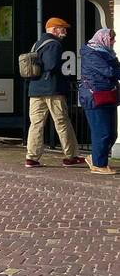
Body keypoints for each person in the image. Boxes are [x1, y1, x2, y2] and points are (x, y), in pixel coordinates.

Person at [25, 17, 85, 168]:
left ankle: (31, 157)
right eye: (62, 28)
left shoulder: (37, 44)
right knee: (62, 122)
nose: (64, 31)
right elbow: (51, 65)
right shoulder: (54, 44)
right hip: (52, 89)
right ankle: (71, 155)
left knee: (36, 124)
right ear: (53, 29)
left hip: (35, 89)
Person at [79, 27, 120, 176]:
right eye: (111, 39)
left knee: (112, 133)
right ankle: (99, 164)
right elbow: (108, 71)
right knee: (101, 132)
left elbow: (114, 69)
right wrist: (114, 68)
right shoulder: (91, 53)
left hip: (109, 95)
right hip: (94, 97)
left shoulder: (107, 53)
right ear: (103, 39)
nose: (113, 41)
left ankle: (95, 158)